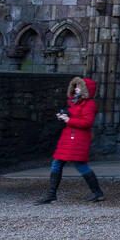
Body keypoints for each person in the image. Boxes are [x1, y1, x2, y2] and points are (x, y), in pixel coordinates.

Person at [35, 76, 104, 204]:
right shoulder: (74, 102)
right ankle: (51, 194)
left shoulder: (89, 104)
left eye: (79, 87)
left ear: (85, 89)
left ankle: (97, 193)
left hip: (78, 138)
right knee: (57, 163)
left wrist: (68, 120)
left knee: (80, 164)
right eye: (75, 86)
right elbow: (75, 116)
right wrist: (64, 116)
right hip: (69, 137)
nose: (76, 89)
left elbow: (87, 122)